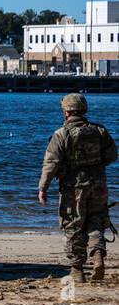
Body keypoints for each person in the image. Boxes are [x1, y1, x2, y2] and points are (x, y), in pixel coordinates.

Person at [39, 93, 117, 282]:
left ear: (66, 112)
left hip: (74, 187)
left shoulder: (61, 134)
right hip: (98, 183)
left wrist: (43, 188)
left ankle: (77, 269)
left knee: (73, 224)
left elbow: (51, 163)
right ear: (84, 110)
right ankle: (98, 255)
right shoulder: (100, 131)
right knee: (96, 220)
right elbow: (112, 156)